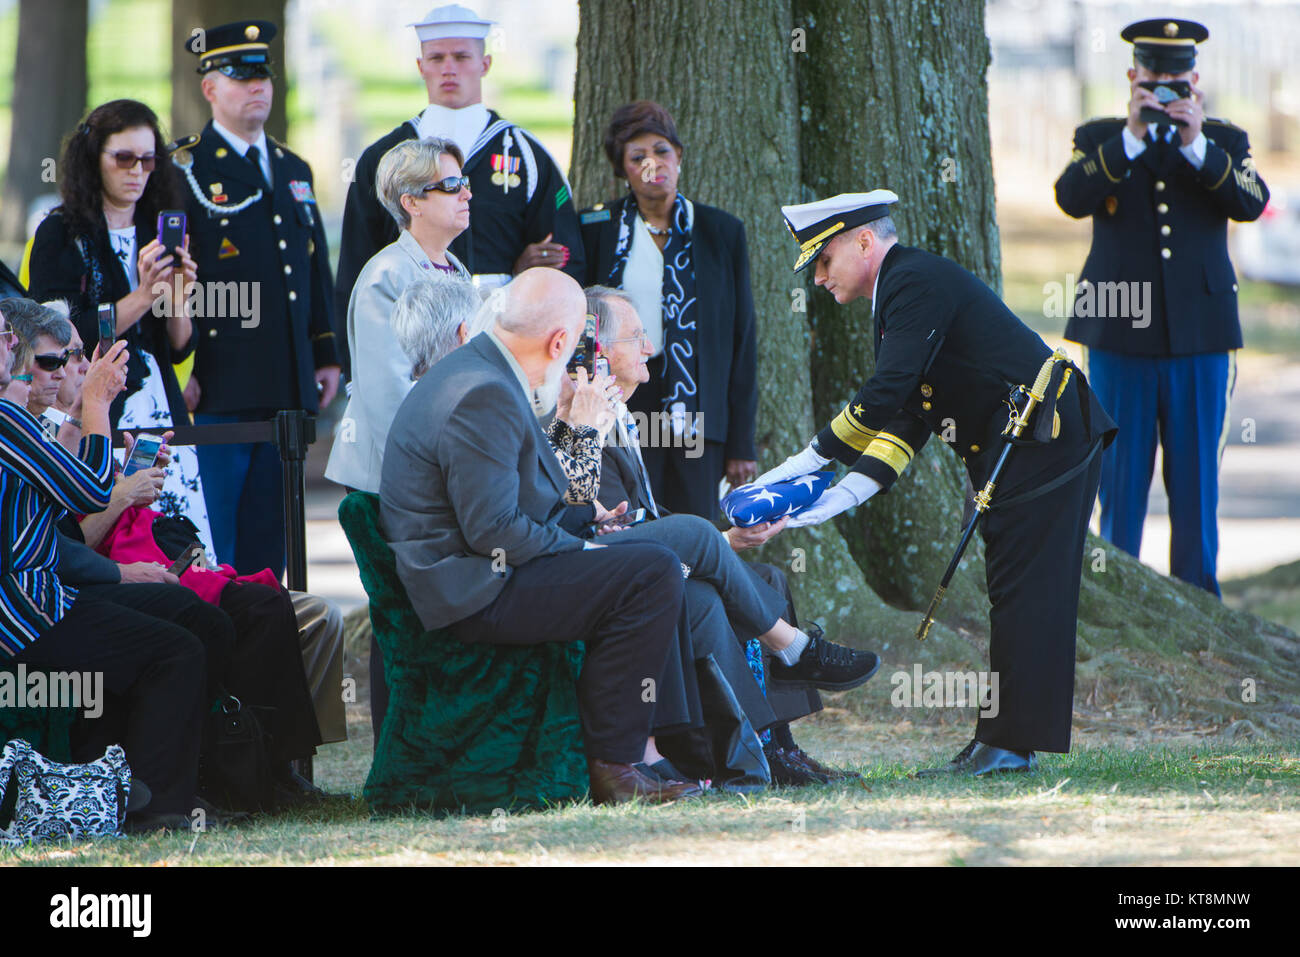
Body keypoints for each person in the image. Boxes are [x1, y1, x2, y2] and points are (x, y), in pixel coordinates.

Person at [761, 192, 1116, 776]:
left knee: (1027, 592)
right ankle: (1004, 742)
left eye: (824, 260)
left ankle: (1008, 746)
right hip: (1029, 448)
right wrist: (825, 504)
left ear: (864, 242)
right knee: (1019, 591)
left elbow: (885, 393)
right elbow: (908, 419)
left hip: (1046, 442)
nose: (819, 277)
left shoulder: (913, 281)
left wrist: (802, 465)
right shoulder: (901, 290)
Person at [379, 268, 701, 804]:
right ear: (558, 342)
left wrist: (585, 523)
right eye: (576, 346)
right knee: (650, 573)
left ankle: (645, 755)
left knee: (647, 556)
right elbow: (494, 530)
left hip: (479, 570)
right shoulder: (484, 390)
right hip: (472, 589)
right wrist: (584, 549)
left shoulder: (486, 370)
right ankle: (617, 769)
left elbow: (514, 499)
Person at [587, 285, 866, 784]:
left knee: (767, 579)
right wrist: (711, 542)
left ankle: (778, 747)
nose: (650, 347)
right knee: (703, 592)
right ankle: (761, 723)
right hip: (608, 572)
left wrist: (728, 541)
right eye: (637, 336)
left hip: (644, 558)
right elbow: (624, 526)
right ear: (600, 351)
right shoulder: (581, 417)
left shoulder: (621, 413)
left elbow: (651, 519)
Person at [1055, 19, 1269, 597]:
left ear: (1195, 80)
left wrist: (1197, 145)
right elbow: (1070, 196)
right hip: (1119, 336)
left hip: (1200, 339)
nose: (1166, 88)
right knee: (1119, 483)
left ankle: (1199, 600)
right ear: (1133, 76)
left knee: (1196, 482)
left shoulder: (1224, 142)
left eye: (1177, 78)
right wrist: (1128, 137)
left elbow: (1252, 202)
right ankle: (1116, 601)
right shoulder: (1101, 136)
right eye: (1154, 76)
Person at [0, 314, 210, 831]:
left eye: (10, 331)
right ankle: (153, 807)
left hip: (39, 600)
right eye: (0, 333)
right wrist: (96, 404)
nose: (10, 341)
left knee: (191, 617)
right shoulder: (7, 419)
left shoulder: (14, 417)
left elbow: (59, 497)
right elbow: (89, 494)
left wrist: (80, 412)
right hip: (23, 613)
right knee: (177, 648)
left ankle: (164, 784)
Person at [334, 2, 584, 377]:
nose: (448, 68)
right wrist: (353, 368)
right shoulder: (382, 158)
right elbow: (355, 266)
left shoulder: (528, 156)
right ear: (420, 66)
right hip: (408, 341)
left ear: (485, 64)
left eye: (461, 56)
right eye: (436, 57)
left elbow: (564, 258)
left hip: (506, 338)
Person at [175, 19, 341, 578]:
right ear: (209, 89)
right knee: (218, 540)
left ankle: (268, 656)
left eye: (263, 75)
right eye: (240, 76)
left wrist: (326, 351)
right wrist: (184, 364)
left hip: (285, 381)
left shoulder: (294, 169)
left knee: (273, 547)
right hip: (218, 383)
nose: (257, 87)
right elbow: (169, 278)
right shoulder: (186, 169)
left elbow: (313, 269)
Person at [28, 100, 213, 556]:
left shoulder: (157, 230)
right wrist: (141, 298)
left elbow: (179, 345)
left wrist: (176, 296)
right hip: (95, 411)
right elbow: (59, 334)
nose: (138, 171)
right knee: (121, 543)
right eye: (124, 158)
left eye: (148, 160)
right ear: (94, 159)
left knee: (181, 543)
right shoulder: (60, 233)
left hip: (160, 406)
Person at [580, 100, 757, 520]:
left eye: (661, 151)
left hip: (697, 405)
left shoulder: (721, 232)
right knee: (632, 513)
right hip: (626, 395)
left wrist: (740, 444)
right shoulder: (597, 228)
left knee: (697, 519)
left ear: (679, 157)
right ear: (622, 170)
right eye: (636, 157)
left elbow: (741, 338)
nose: (652, 163)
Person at [325, 137, 472, 494]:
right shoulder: (387, 274)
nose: (466, 194)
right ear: (411, 203)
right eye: (451, 186)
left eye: (465, 183)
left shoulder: (456, 269)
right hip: (396, 476)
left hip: (444, 463)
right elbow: (387, 393)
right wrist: (427, 476)